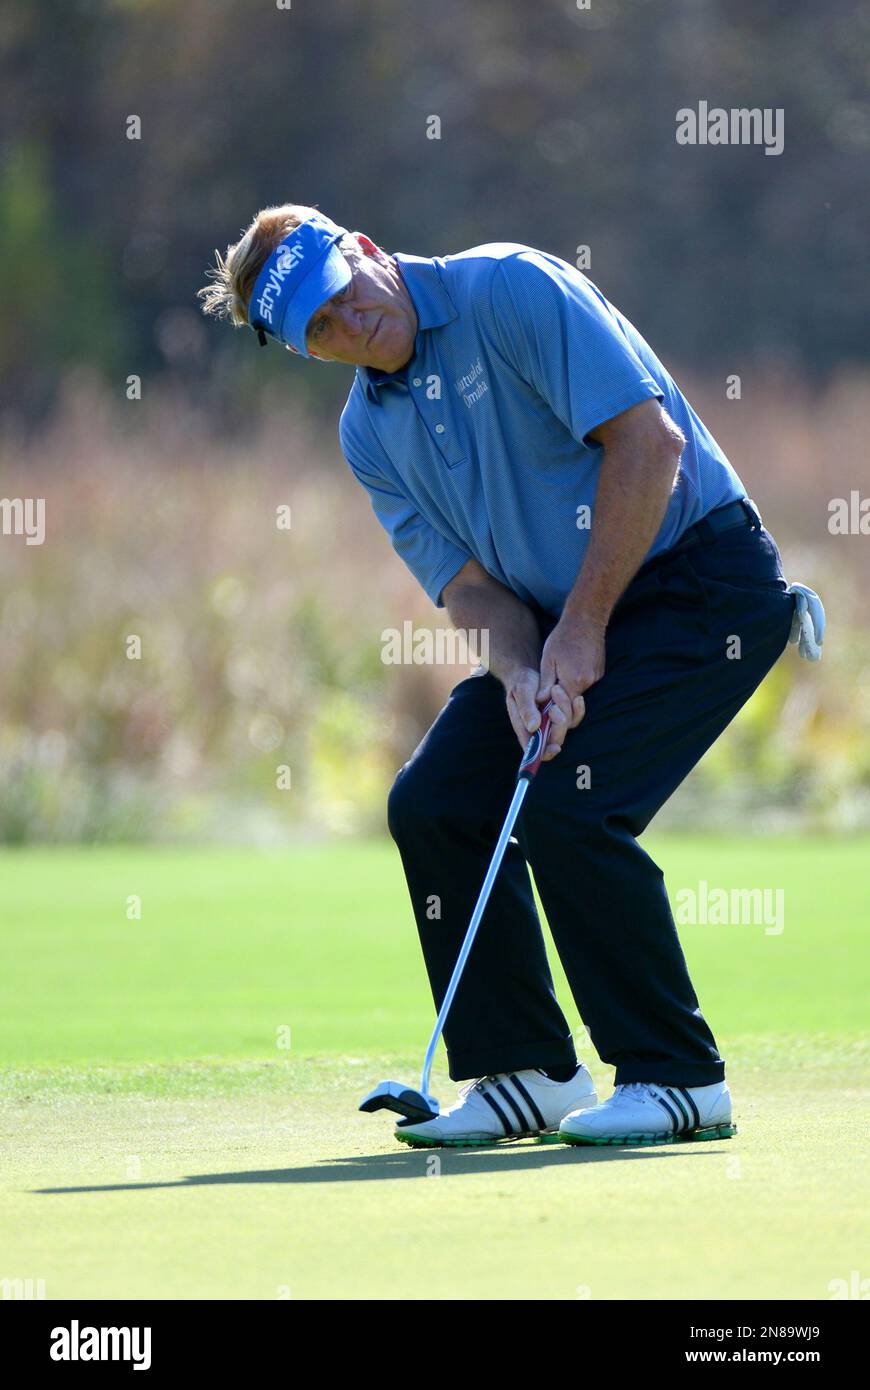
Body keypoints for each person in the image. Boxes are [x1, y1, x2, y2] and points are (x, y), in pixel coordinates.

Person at [198, 204, 823, 1148]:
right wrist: (523, 668)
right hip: (561, 620)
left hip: (704, 583)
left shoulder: (509, 288)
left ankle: (680, 1078)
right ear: (303, 351)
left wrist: (582, 628)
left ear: (363, 250)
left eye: (342, 295)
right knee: (438, 801)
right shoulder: (368, 434)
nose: (348, 324)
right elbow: (471, 589)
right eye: (319, 329)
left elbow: (650, 445)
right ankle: (527, 1071)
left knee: (570, 805)